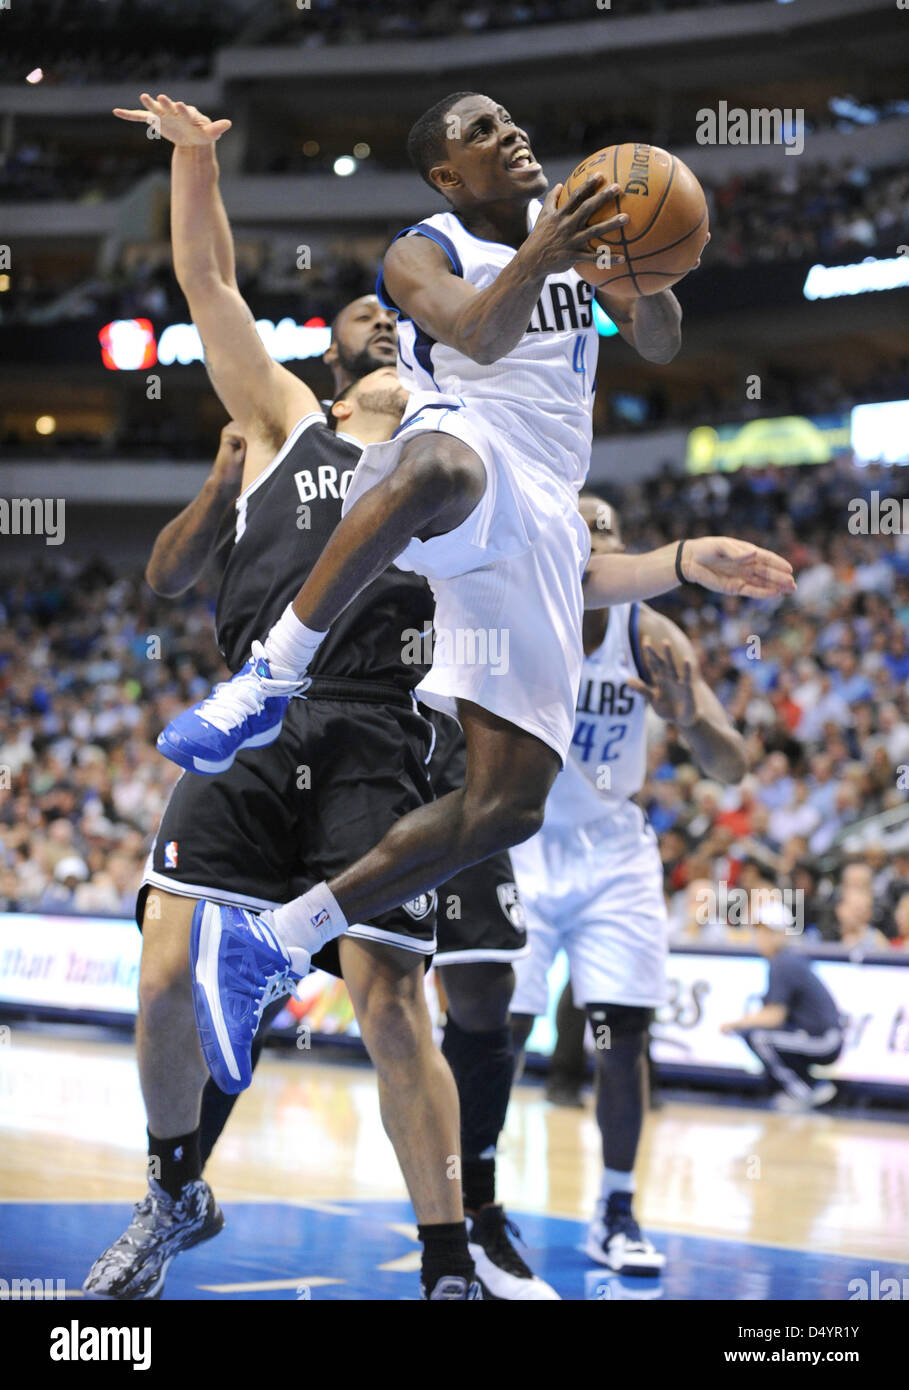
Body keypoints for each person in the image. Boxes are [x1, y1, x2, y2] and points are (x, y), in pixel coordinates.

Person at [149, 92, 793, 1143]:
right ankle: (269, 674)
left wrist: (640, 267)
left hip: (548, 514)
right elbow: (479, 336)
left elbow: (665, 339)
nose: (512, 135)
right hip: (473, 440)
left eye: (510, 121)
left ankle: (276, 942)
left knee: (506, 809)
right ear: (448, 176)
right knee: (439, 463)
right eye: (481, 133)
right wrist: (550, 249)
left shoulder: (580, 238)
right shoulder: (423, 249)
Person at [510, 494, 749, 1276]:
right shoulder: (517, 620)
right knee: (495, 1035)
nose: (599, 562)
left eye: (609, 546)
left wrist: (690, 721)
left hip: (612, 851)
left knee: (623, 1040)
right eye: (585, 546)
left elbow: (732, 766)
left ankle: (615, 1207)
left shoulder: (649, 634)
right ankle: (473, 1203)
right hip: (521, 843)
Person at [720, 903, 844, 1112]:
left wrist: (736, 1023)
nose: (760, 938)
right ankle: (807, 1086)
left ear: (780, 934)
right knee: (760, 1035)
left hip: (824, 1040)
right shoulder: (787, 960)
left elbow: (774, 1017)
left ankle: (806, 1090)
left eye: (766, 932)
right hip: (819, 1036)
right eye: (759, 931)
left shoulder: (783, 963)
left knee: (758, 1036)